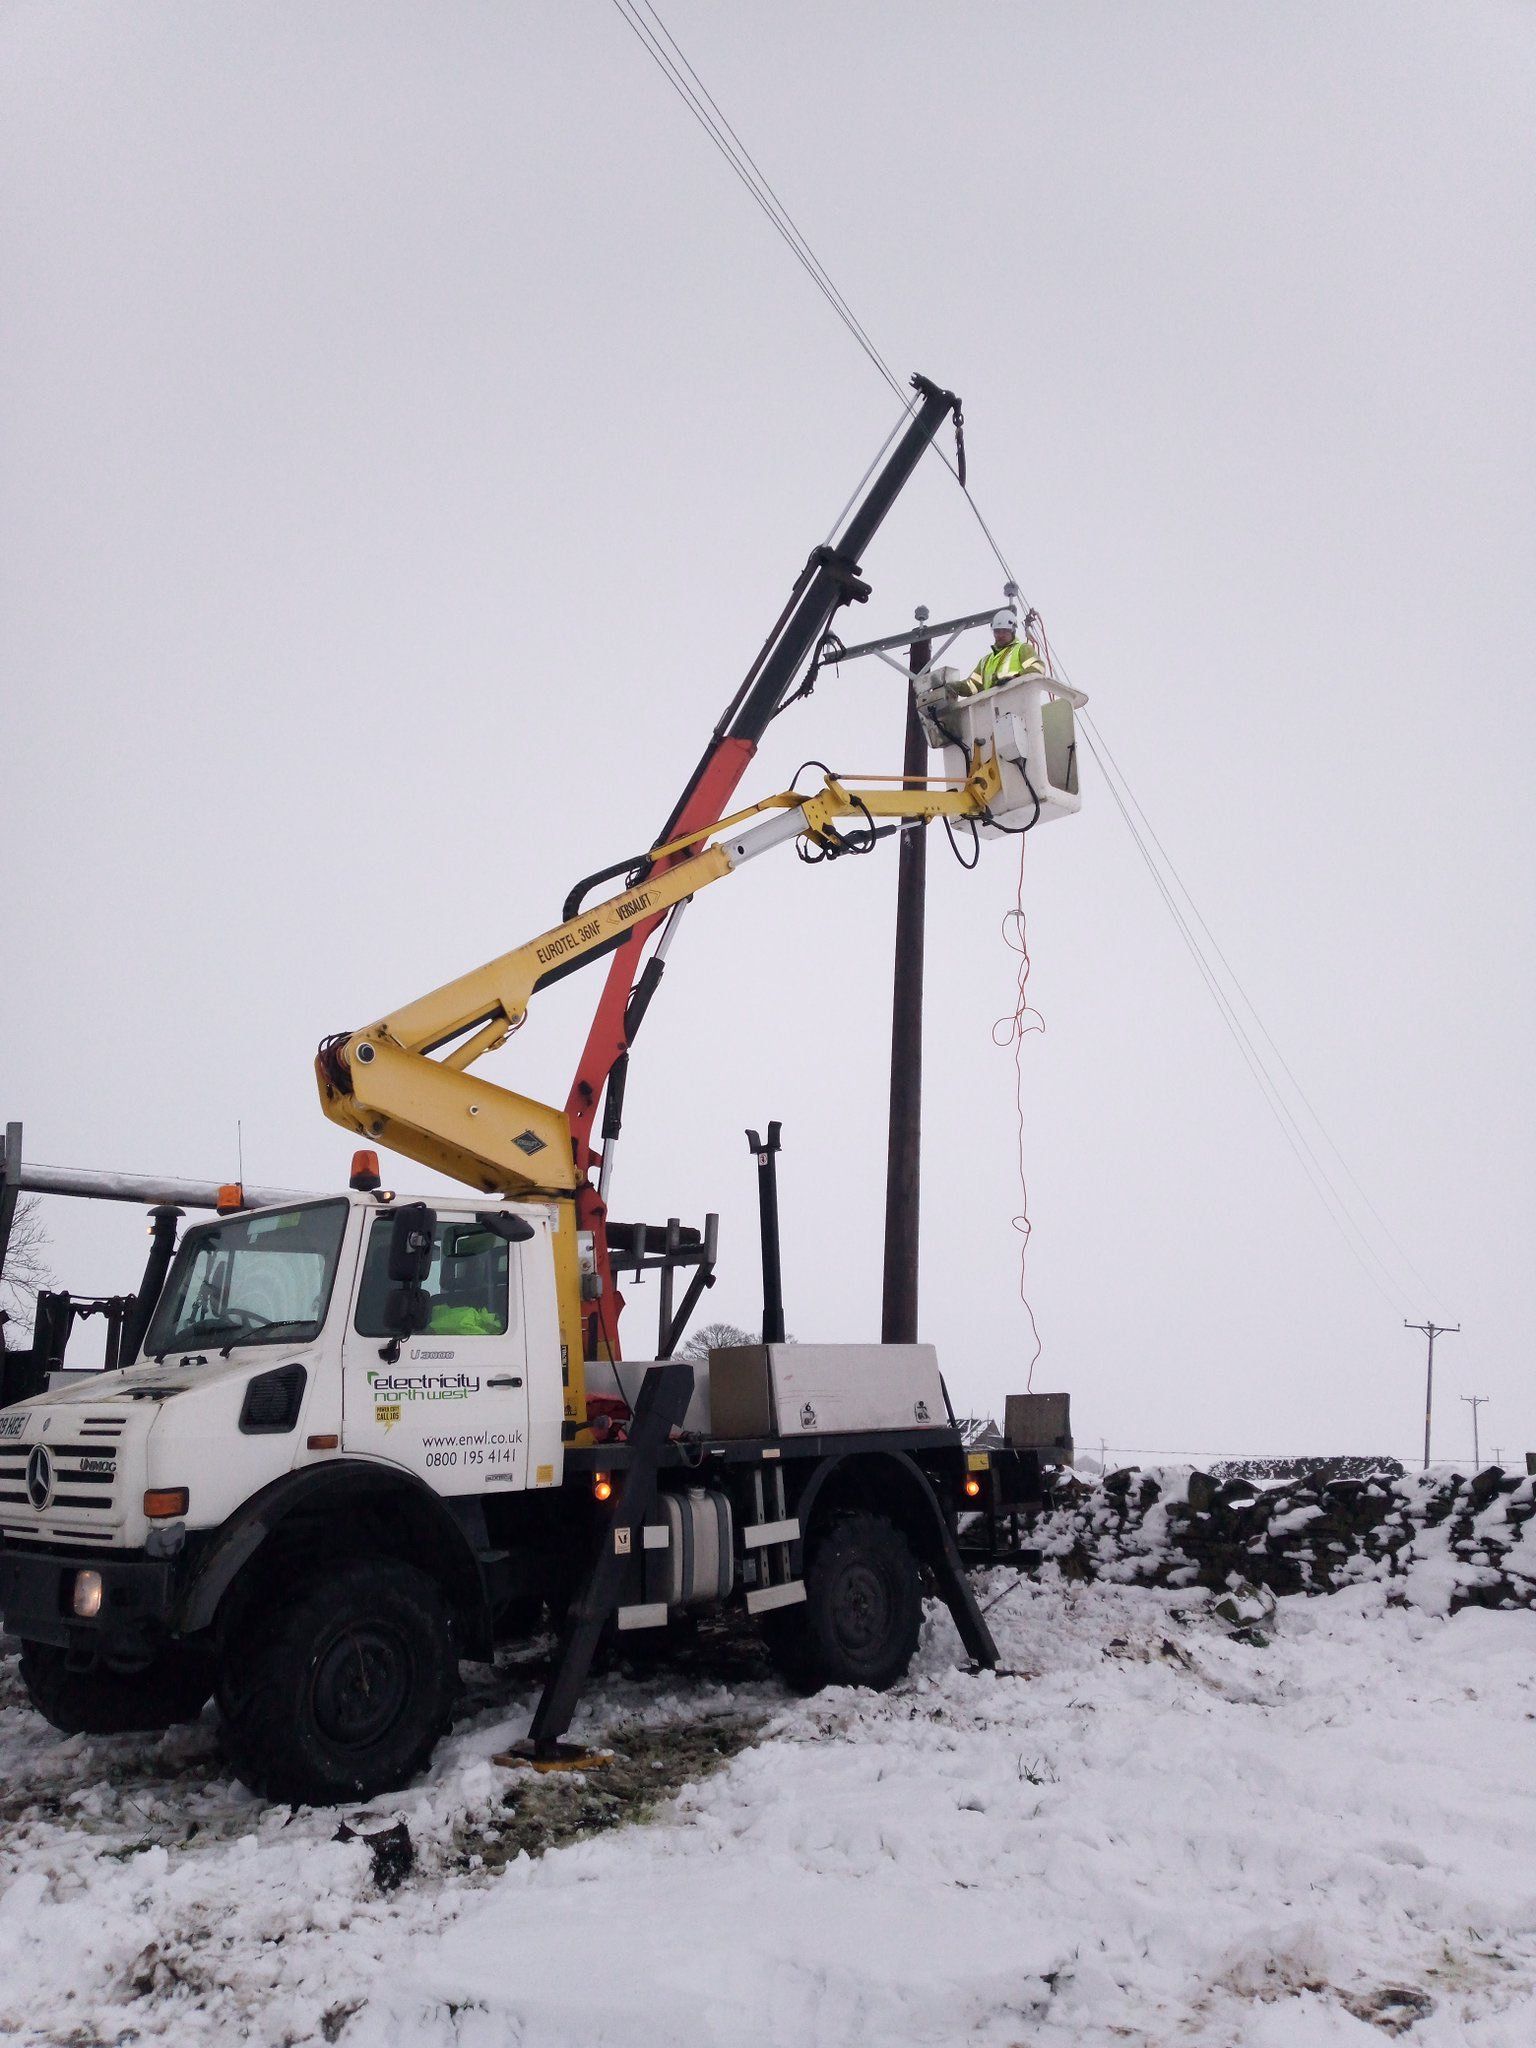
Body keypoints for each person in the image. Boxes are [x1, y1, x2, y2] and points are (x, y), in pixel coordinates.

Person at [959, 608, 1047, 695]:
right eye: (997, 631)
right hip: (993, 706)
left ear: (1013, 631)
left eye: (1005, 631)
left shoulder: (1022, 649)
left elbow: (1038, 668)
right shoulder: (985, 661)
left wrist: (1015, 678)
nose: (1001, 635)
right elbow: (972, 686)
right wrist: (953, 687)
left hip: (1019, 701)